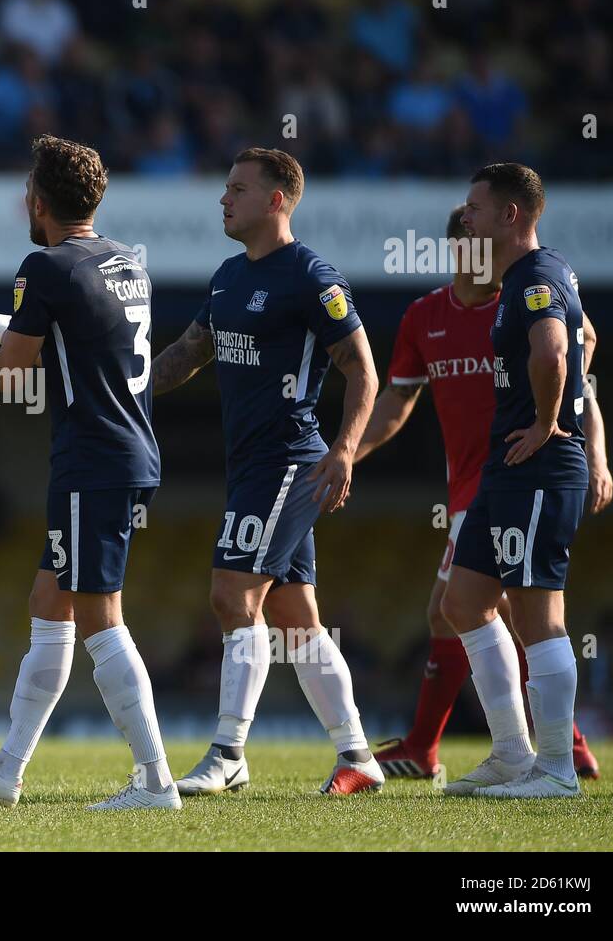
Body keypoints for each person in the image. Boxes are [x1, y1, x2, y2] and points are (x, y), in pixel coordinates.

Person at [0, 135, 179, 811]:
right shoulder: (126, 263)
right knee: (48, 603)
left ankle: (155, 779)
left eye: (27, 191)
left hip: (92, 458)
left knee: (98, 615)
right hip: (123, 450)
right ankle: (8, 768)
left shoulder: (46, 266)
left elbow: (14, 368)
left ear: (38, 199)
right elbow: (73, 335)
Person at [151, 147, 384, 795]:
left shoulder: (311, 276)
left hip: (289, 459)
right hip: (251, 465)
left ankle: (228, 751)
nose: (223, 199)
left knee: (231, 596)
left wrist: (343, 450)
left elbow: (363, 370)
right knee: (296, 618)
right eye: (225, 188)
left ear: (277, 199)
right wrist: (127, 384)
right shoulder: (227, 276)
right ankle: (359, 755)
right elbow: (187, 355)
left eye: (238, 189)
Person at [357, 206, 611, 780]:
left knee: (474, 608)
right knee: (474, 608)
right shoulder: (425, 316)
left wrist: (593, 450)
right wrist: (348, 452)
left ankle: (440, 748)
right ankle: (552, 747)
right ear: (455, 250)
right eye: (465, 242)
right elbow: (397, 403)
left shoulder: (523, 296)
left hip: (515, 475)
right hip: (479, 481)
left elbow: (578, 348)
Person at [439, 164, 592, 798]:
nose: (465, 217)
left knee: (538, 614)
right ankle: (510, 753)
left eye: (475, 208)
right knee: (463, 603)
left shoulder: (534, 276)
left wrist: (548, 423)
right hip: (509, 469)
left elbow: (556, 350)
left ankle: (556, 770)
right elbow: (584, 336)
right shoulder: (525, 279)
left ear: (512, 215)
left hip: (539, 463)